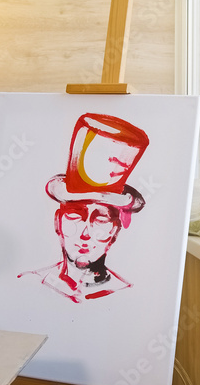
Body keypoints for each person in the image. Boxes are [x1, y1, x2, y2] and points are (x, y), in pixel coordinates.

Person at [17, 113, 148, 303]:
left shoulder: (127, 296)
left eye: (100, 220)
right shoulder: (29, 284)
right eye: (74, 217)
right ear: (58, 222)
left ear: (115, 232)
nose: (85, 234)